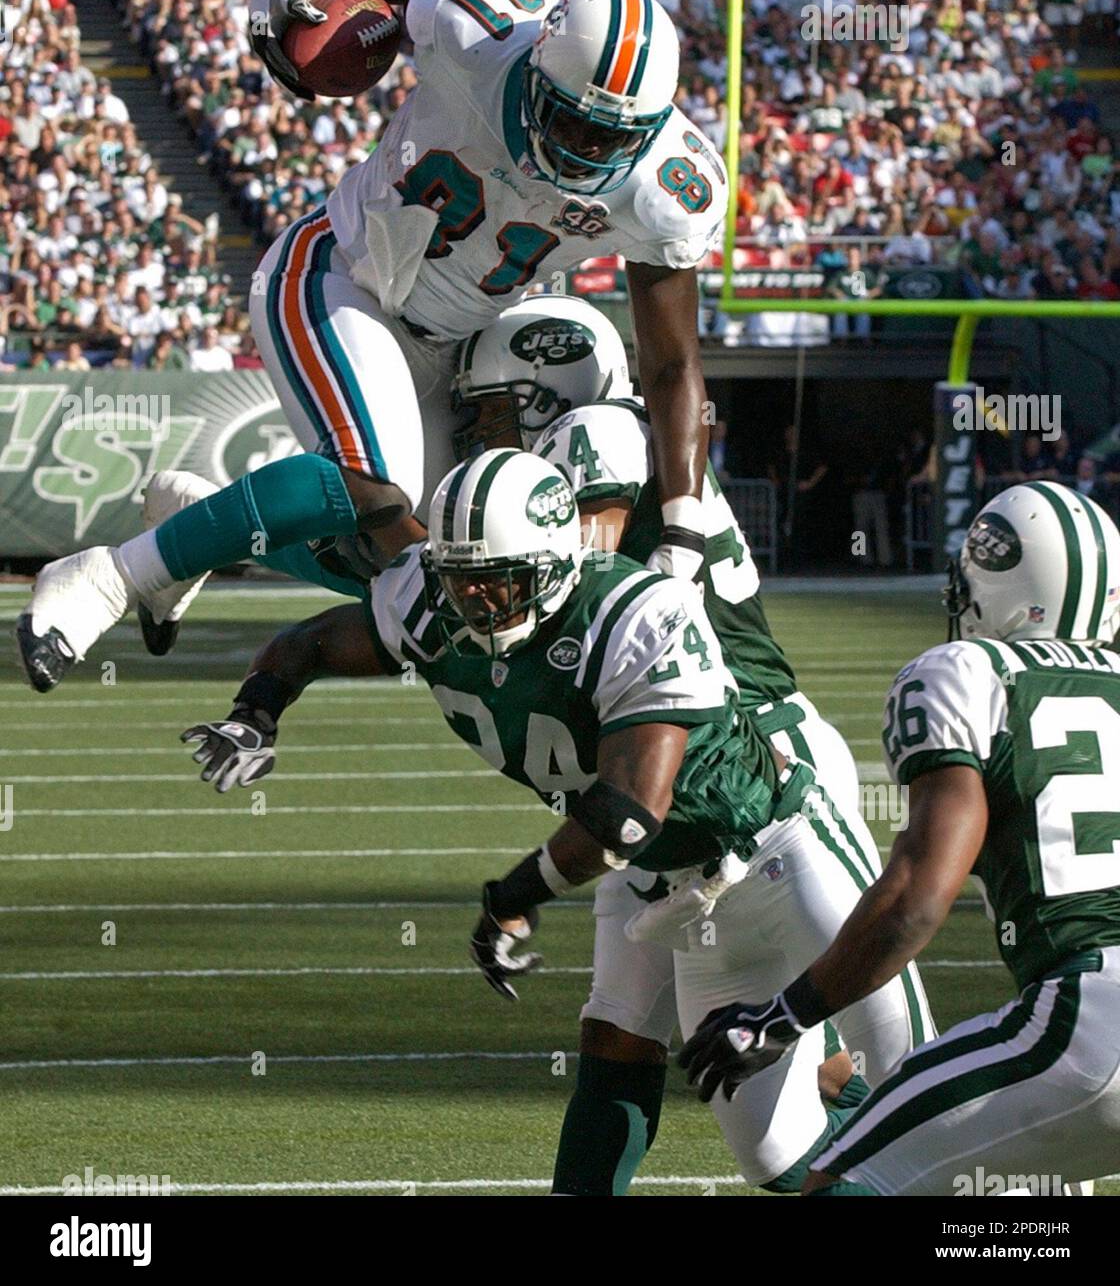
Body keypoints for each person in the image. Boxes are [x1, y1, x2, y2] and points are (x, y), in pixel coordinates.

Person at [179, 449, 930, 1195]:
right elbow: (307, 642)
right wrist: (256, 713)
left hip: (780, 851)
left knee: (921, 1091)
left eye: (495, 583)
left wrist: (511, 896)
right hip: (684, 894)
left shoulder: (639, 612)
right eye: (460, 580)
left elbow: (628, 814)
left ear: (555, 564)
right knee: (774, 1158)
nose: (474, 603)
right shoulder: (431, 601)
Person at [18, 0, 727, 696]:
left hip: (458, 342)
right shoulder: (482, 32)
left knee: (431, 570)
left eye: (609, 138)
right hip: (341, 279)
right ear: (536, 72)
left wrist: (682, 534)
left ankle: (192, 523)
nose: (584, 150)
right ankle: (107, 576)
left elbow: (673, 360)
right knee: (375, 484)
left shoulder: (665, 188)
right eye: (570, 120)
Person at [679, 481, 1120, 1196]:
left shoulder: (969, 675)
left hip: (1090, 1023)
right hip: (1090, 1029)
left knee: (847, 1181)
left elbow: (917, 899)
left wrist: (781, 1018)